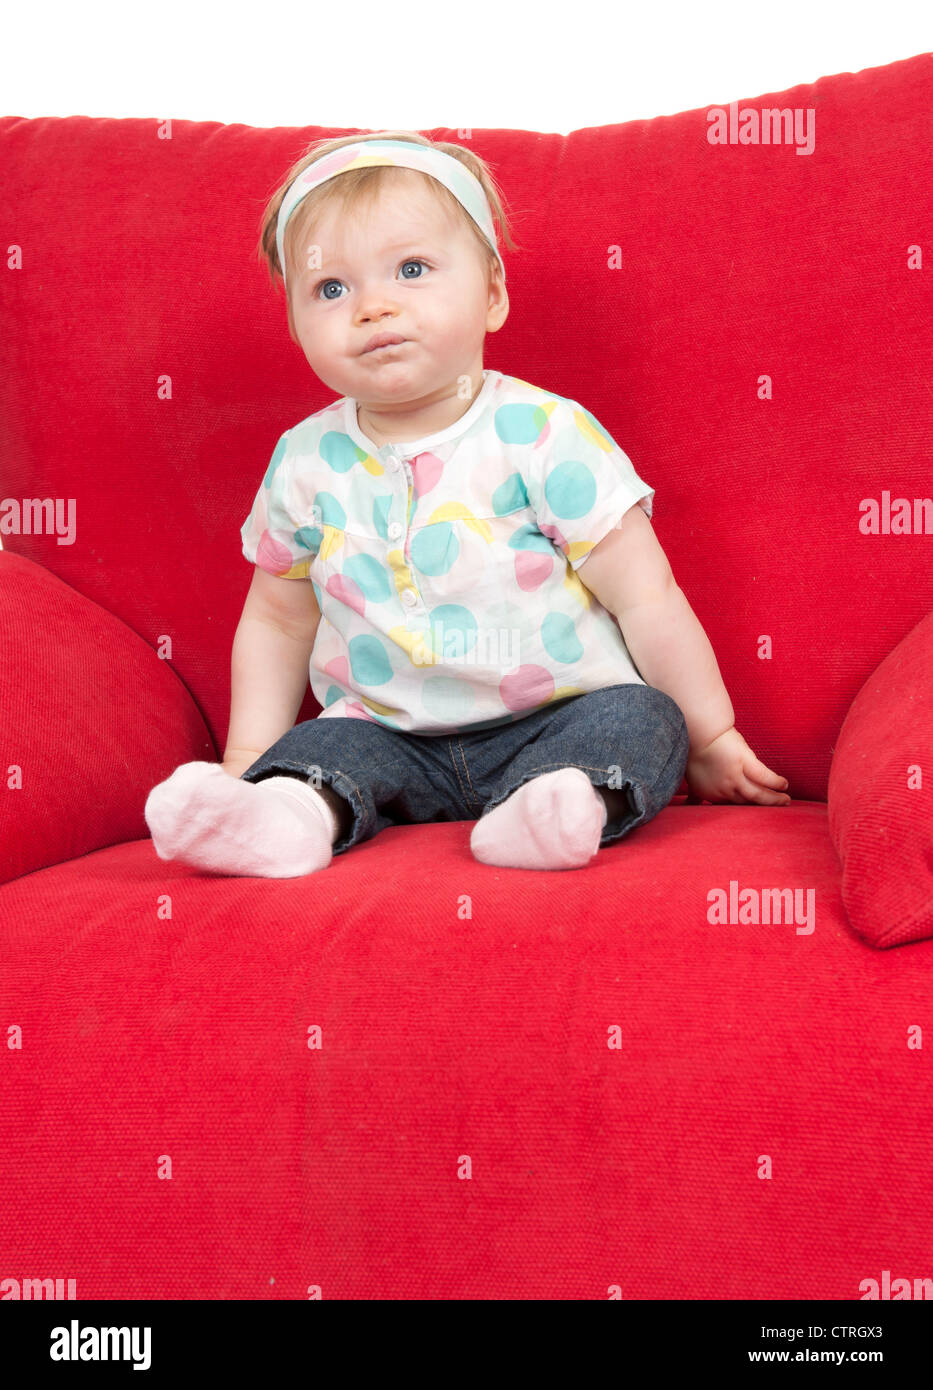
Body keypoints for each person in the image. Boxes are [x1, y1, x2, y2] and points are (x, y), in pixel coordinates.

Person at [145, 131, 790, 878]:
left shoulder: (544, 433)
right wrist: (248, 759)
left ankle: (550, 809)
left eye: (411, 270)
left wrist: (712, 740)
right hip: (385, 732)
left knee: (643, 719)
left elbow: (647, 598)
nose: (372, 307)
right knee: (315, 752)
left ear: (491, 294)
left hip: (556, 717)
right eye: (330, 288)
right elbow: (275, 619)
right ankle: (281, 818)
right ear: (293, 323)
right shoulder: (304, 460)